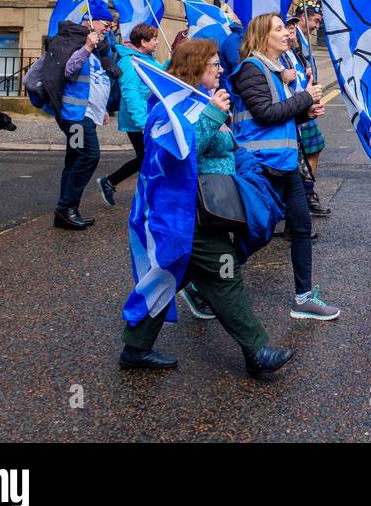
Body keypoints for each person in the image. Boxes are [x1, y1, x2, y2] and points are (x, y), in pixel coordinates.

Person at [118, 38, 295, 378]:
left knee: (172, 276)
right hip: (187, 215)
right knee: (223, 275)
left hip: (208, 209)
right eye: (214, 64)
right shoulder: (167, 108)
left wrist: (245, 161)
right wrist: (213, 114)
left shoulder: (201, 102)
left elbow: (224, 146)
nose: (221, 69)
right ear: (196, 67)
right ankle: (257, 351)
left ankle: (135, 347)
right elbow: (179, 153)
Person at [231, 13, 339, 320]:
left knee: (302, 227)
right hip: (262, 164)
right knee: (257, 233)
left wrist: (307, 112)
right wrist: (305, 97)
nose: (286, 34)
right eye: (279, 29)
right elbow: (265, 113)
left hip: (285, 163)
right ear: (262, 36)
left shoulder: (274, 69)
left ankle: (303, 297)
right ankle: (206, 280)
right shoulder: (251, 69)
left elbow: (281, 115)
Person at [42, 4, 120, 230]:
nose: (108, 30)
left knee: (75, 159)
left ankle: (65, 210)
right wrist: (86, 47)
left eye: (111, 27)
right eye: (106, 25)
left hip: (86, 113)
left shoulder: (97, 47)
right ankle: (67, 207)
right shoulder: (73, 41)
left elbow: (95, 80)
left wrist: (101, 107)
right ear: (91, 20)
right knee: (88, 156)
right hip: (75, 116)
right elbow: (67, 70)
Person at [97, 23, 161, 206]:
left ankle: (109, 182)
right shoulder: (129, 61)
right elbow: (130, 93)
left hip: (147, 117)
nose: (157, 42)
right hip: (138, 120)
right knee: (147, 159)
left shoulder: (146, 57)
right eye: (154, 39)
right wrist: (142, 123)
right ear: (143, 42)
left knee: (145, 158)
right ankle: (147, 198)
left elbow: (159, 75)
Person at [282, 10, 330, 217]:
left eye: (293, 28)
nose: (290, 32)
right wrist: (283, 76)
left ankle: (305, 195)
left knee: (314, 147)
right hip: (293, 108)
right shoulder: (280, 53)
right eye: (286, 28)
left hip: (304, 106)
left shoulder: (295, 48)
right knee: (295, 160)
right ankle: (303, 198)